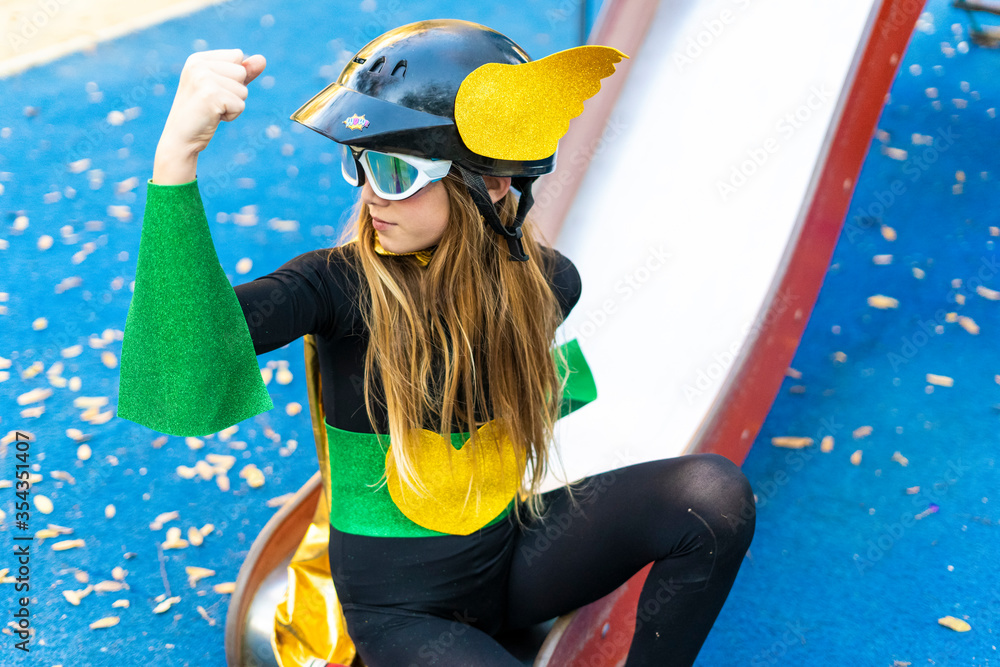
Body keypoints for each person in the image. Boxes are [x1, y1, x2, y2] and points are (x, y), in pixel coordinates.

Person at [128, 19, 756, 667]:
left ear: (492, 181)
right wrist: (175, 160)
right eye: (361, 162)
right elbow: (182, 361)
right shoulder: (335, 287)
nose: (371, 194)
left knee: (713, 496)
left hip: (509, 562)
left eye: (396, 170)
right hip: (402, 613)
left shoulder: (547, 284)